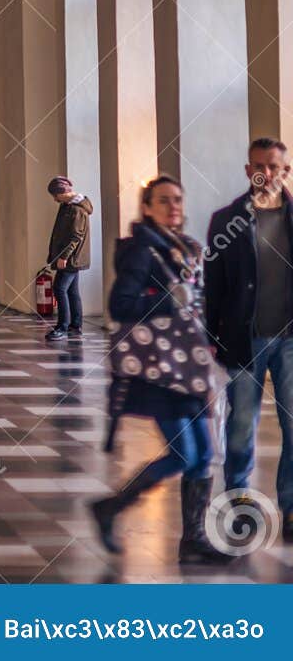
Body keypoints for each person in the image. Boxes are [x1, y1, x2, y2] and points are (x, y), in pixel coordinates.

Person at [90, 175, 230, 564]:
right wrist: (168, 303)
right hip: (160, 372)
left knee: (203, 453)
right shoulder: (141, 250)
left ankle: (192, 539)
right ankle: (112, 508)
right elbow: (121, 306)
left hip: (184, 367)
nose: (173, 207)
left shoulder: (179, 248)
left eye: (178, 200)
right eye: (163, 201)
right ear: (147, 207)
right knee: (188, 454)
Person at [204, 137, 293, 541]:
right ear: (247, 169)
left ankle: (290, 508)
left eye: (274, 166)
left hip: (290, 339)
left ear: (285, 171)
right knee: (241, 425)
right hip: (245, 337)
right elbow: (214, 285)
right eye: (259, 165)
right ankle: (238, 500)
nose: (266, 173)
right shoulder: (225, 220)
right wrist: (210, 336)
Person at [44, 175, 94, 342]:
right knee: (72, 291)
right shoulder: (67, 206)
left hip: (72, 258)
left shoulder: (77, 209)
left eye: (55, 195)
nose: (54, 199)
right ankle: (75, 326)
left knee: (59, 288)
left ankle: (62, 327)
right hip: (71, 258)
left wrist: (64, 256)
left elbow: (76, 236)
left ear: (62, 193)